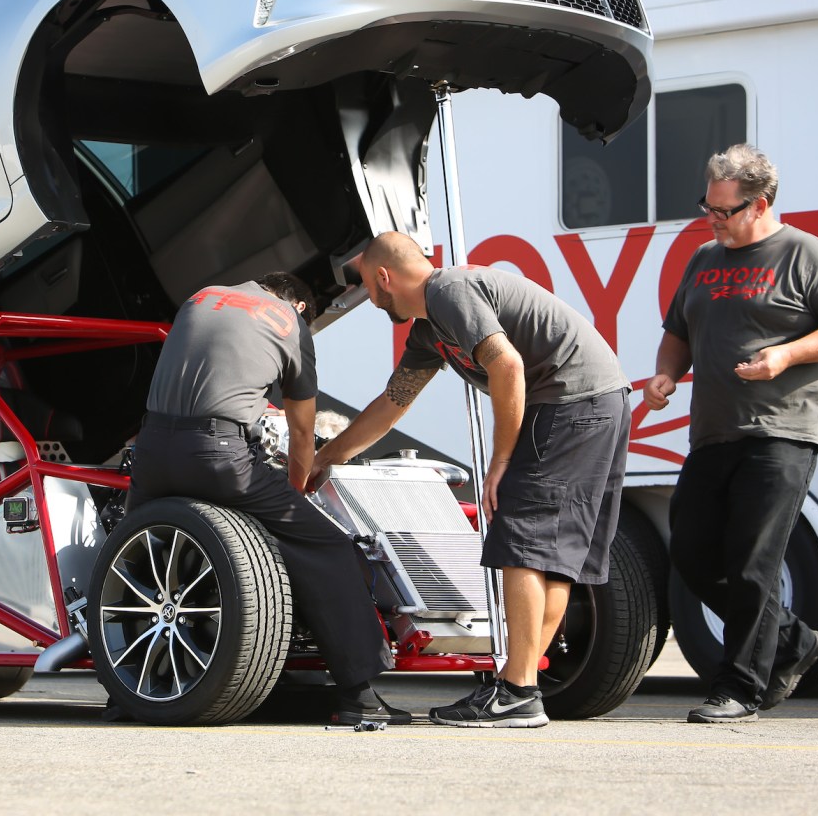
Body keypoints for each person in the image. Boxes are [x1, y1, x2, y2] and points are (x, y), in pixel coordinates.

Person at [311, 232, 630, 729]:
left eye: (368, 291)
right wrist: (327, 457)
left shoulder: (450, 291)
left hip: (571, 402)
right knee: (553, 557)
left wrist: (500, 461)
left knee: (521, 540)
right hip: (599, 402)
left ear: (383, 277)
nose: (370, 302)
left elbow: (507, 364)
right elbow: (391, 405)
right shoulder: (427, 331)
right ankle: (515, 687)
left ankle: (518, 692)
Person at [642, 144, 818, 723]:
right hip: (713, 433)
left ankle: (740, 686)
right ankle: (795, 642)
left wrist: (786, 356)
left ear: (759, 203)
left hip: (781, 433)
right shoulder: (703, 258)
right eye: (707, 206)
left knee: (752, 563)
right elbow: (678, 329)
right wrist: (667, 372)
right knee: (693, 555)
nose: (711, 219)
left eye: (723, 209)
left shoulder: (804, 253)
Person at [131, 271, 405, 725]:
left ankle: (128, 692)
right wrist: (294, 499)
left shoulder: (200, 295)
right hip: (218, 455)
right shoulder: (287, 320)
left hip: (152, 451)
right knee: (325, 546)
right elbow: (301, 434)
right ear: (299, 306)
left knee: (145, 555)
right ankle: (359, 695)